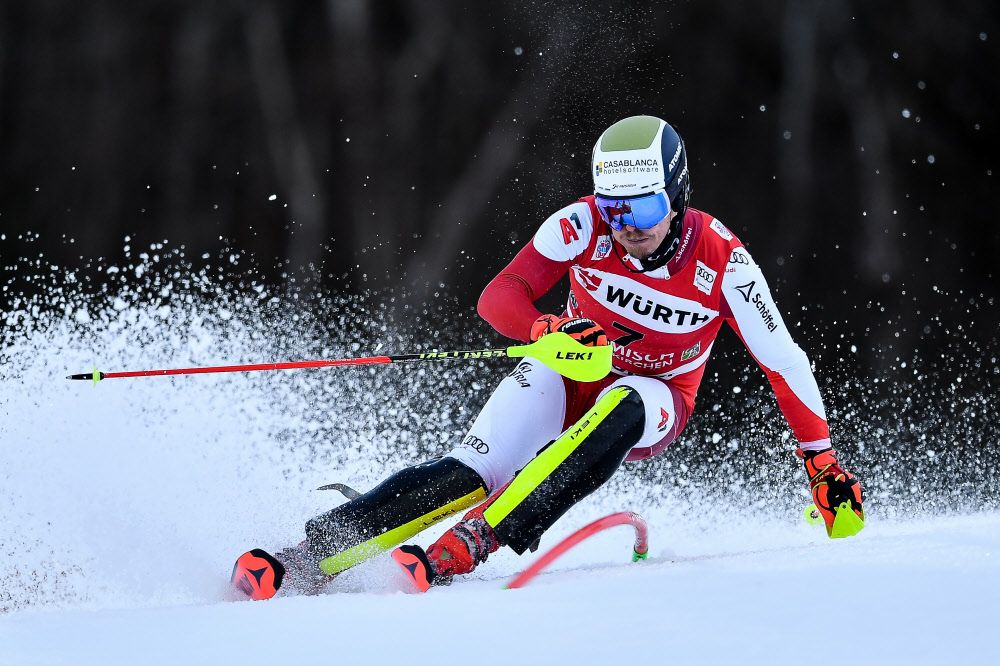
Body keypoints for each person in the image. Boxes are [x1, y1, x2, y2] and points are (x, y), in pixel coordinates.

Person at [232, 115, 864, 599]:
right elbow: (498, 296)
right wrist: (546, 327)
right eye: (614, 207)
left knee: (625, 400)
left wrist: (822, 463)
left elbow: (785, 362)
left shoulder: (725, 261)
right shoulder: (581, 226)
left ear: (677, 195)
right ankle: (305, 558)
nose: (627, 225)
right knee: (470, 471)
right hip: (569, 371)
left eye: (644, 206)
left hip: (658, 396)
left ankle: (472, 542)